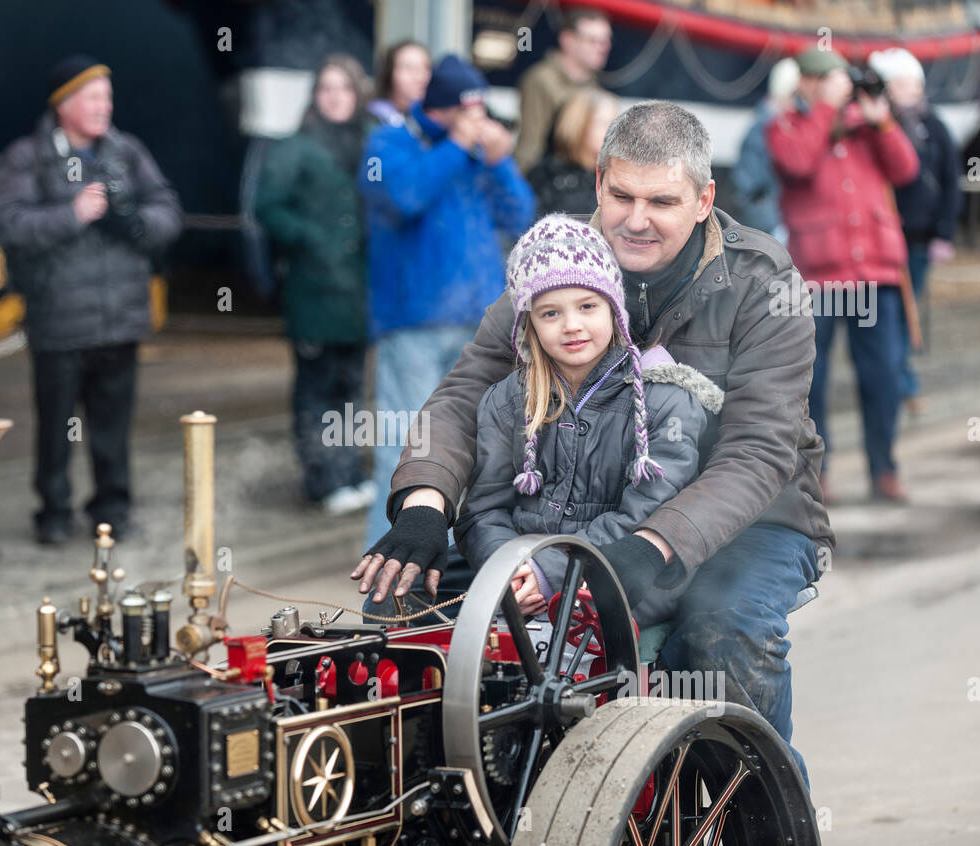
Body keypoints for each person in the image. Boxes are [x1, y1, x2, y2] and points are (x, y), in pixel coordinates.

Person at [354, 101, 833, 787]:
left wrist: (651, 546)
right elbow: (464, 391)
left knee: (719, 632)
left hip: (750, 517)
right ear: (599, 181)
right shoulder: (557, 254)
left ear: (704, 200)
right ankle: (455, 807)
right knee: (406, 608)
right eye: (622, 195)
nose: (637, 219)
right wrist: (426, 505)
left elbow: (759, 453)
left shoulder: (764, 282)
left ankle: (762, 815)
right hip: (584, 507)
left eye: (662, 201)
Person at [456, 214, 722, 631]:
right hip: (517, 583)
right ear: (529, 324)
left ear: (614, 310)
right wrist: (510, 571)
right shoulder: (507, 400)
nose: (572, 326)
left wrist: (550, 572)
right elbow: (483, 509)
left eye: (587, 306)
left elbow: (646, 513)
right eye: (550, 314)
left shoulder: (666, 401)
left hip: (621, 586)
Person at [0, 55, 182, 544]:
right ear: (63, 105)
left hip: (120, 318)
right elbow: (10, 225)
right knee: (55, 425)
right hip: (58, 319)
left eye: (107, 97)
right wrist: (71, 214)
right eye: (93, 98)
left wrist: (138, 224)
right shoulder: (27, 157)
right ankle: (52, 513)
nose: (104, 107)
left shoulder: (126, 151)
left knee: (113, 427)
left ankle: (113, 510)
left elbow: (168, 209)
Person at [357, 53, 534, 549]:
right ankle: (391, 565)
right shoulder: (388, 142)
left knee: (476, 447)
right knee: (406, 445)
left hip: (476, 326)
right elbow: (405, 197)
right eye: (469, 111)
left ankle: (455, 561)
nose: (479, 122)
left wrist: (499, 162)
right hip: (412, 325)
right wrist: (458, 145)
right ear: (447, 108)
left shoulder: (475, 152)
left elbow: (520, 215)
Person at [767, 48, 919, 504]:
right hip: (817, 279)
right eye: (830, 81)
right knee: (811, 382)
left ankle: (884, 468)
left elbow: (906, 169)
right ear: (808, 84)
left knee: (884, 376)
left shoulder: (867, 129)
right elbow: (797, 163)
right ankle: (817, 474)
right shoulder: (785, 126)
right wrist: (829, 108)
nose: (842, 89)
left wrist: (883, 120)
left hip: (874, 272)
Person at [255, 55, 374, 515]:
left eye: (344, 89)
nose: (335, 97)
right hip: (314, 291)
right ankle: (321, 480)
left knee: (350, 386)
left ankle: (350, 473)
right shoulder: (295, 147)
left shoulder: (366, 145)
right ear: (315, 96)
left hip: (357, 292)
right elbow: (268, 206)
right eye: (326, 88)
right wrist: (310, 240)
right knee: (316, 388)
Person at [870, 47, 963, 415]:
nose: (906, 90)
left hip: (920, 239)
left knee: (905, 315)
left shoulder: (934, 127)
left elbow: (951, 182)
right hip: (884, 241)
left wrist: (945, 232)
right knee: (890, 318)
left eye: (910, 82)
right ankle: (898, 384)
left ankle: (901, 381)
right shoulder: (874, 128)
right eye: (898, 83)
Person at [514, 9, 612, 174]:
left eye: (606, 41)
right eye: (592, 40)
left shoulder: (593, 85)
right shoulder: (541, 80)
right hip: (549, 182)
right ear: (568, 40)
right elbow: (530, 145)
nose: (602, 48)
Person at [731, 57, 799, 244]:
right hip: (775, 234)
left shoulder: (774, 126)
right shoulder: (761, 132)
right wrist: (774, 230)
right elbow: (749, 191)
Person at [525, 88, 618, 218]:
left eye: (615, 124)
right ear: (579, 125)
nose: (613, 131)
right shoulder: (546, 177)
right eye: (604, 123)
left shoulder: (617, 175)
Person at [368, 40, 432, 127]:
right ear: (389, 74)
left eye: (426, 68)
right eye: (409, 68)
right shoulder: (373, 120)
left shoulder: (435, 119)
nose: (420, 77)